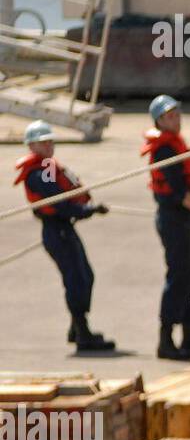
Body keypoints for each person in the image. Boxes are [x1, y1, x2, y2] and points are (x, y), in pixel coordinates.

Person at [12, 120, 114, 352]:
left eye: (50, 142)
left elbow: (63, 198)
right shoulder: (39, 174)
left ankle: (76, 327)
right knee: (76, 278)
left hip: (63, 228)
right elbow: (60, 204)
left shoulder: (47, 167)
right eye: (42, 143)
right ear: (31, 147)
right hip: (56, 230)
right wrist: (90, 210)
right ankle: (83, 333)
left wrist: (84, 209)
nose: (48, 147)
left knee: (84, 275)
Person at [141, 94, 190, 360]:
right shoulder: (164, 150)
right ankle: (166, 340)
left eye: (177, 114)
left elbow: (187, 189)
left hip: (183, 218)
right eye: (169, 116)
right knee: (178, 278)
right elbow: (179, 194)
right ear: (159, 121)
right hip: (172, 219)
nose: (175, 119)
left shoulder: (177, 145)